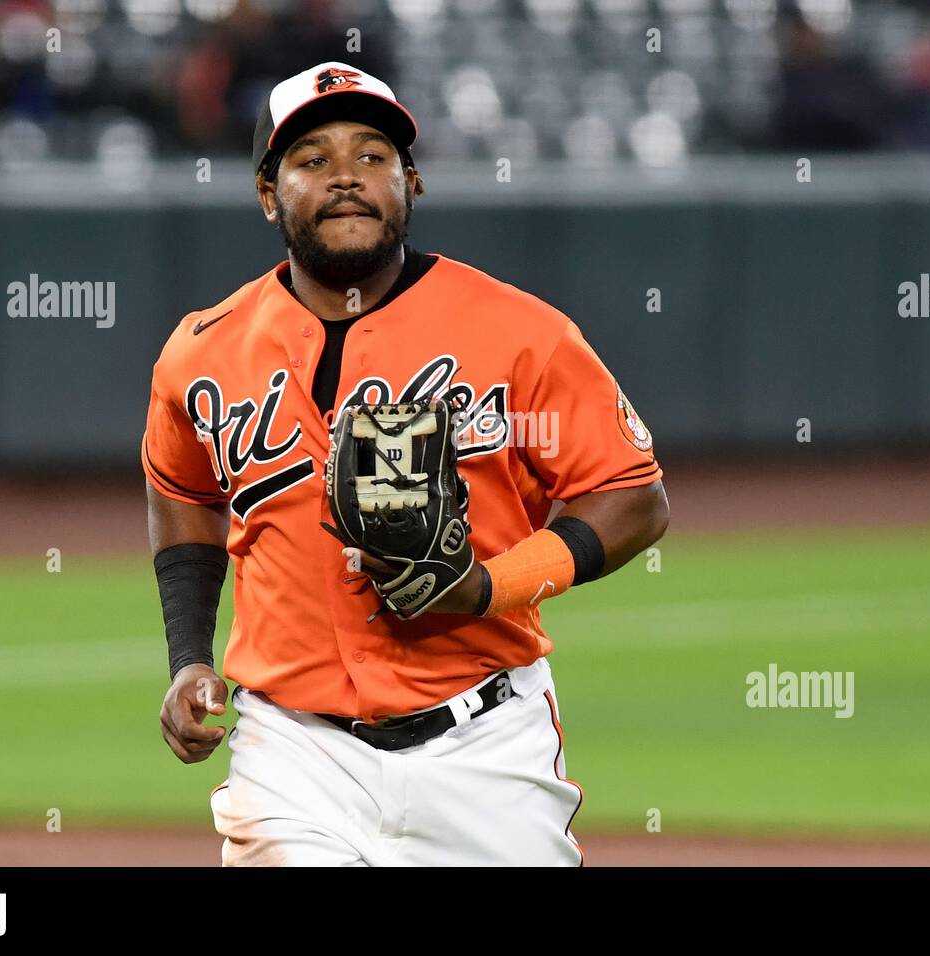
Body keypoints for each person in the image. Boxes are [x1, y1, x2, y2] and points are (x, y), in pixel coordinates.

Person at [142, 62, 669, 866]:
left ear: (412, 182)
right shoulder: (202, 352)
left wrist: (493, 585)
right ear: (267, 195)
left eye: (373, 155)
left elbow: (633, 496)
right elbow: (182, 493)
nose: (346, 176)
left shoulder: (521, 331)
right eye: (312, 159)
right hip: (293, 751)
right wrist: (188, 660)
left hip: (485, 745)